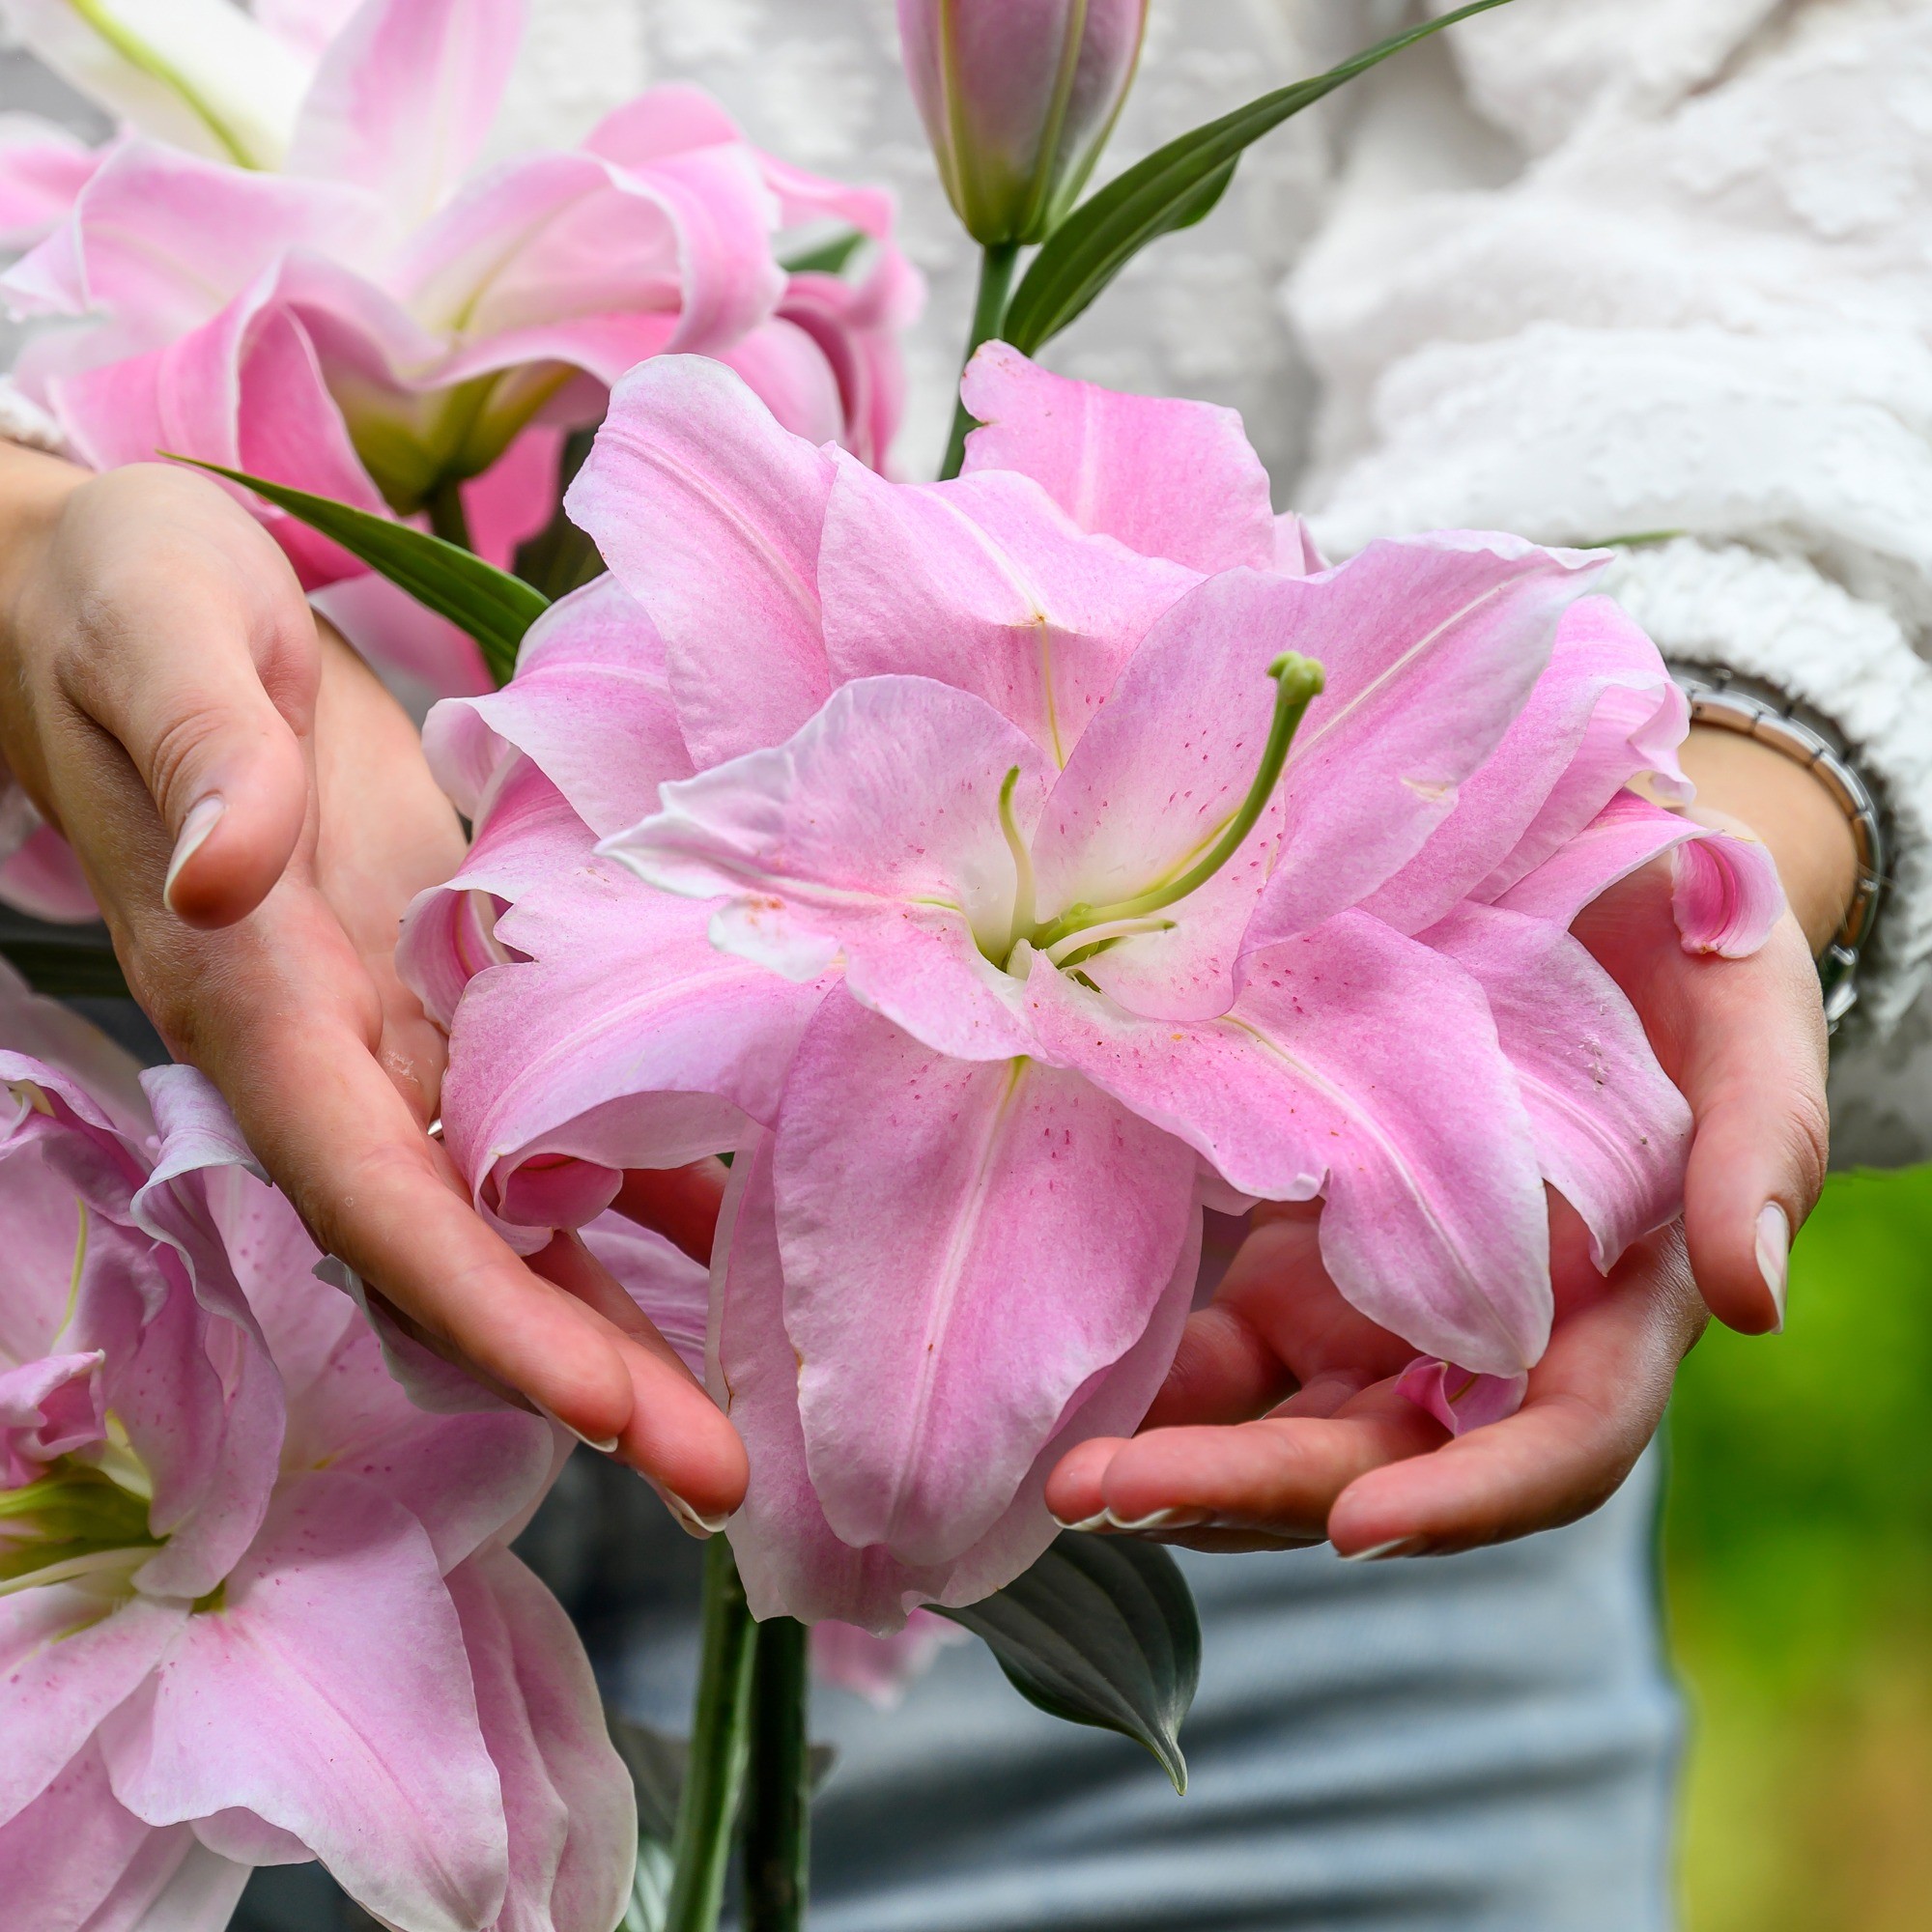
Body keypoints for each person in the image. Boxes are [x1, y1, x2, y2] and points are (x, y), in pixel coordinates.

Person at [0, 2, 1924, 1925]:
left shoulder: (1261, 705)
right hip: (98, 1299)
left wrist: (1744, 747)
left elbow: (1790, 87)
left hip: (1279, 1536)